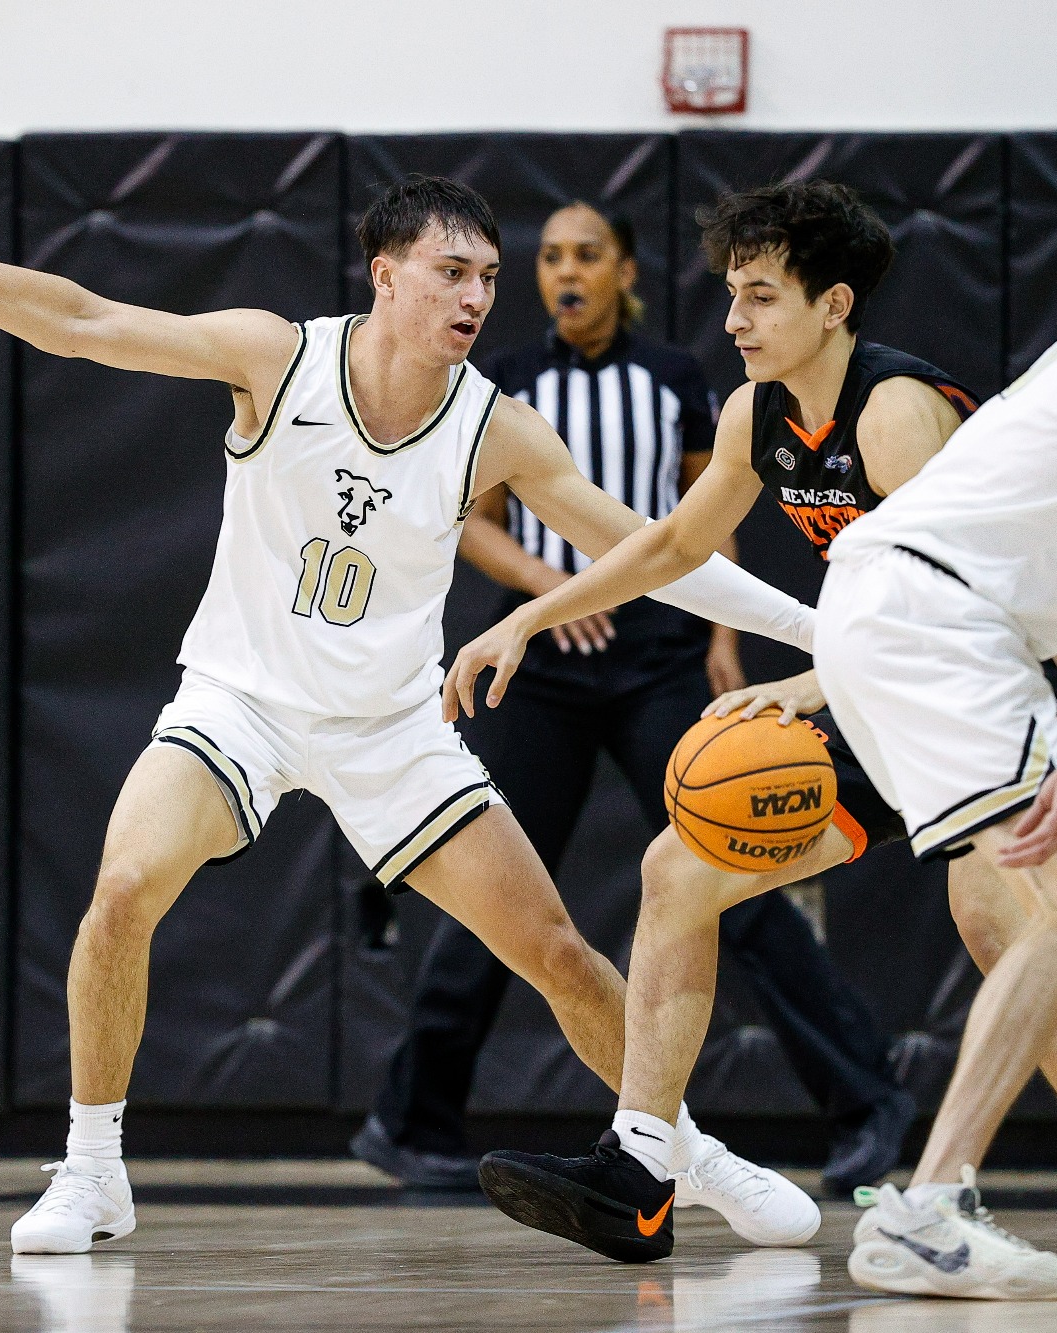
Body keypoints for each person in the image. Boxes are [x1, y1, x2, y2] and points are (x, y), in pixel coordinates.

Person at [449, 138, 1057, 1298]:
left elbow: (996, 594)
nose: (735, 321)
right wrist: (532, 614)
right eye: (730, 294)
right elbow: (674, 545)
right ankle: (659, 1165)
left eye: (760, 295)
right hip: (905, 669)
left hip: (928, 670)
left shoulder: (896, 412)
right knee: (696, 874)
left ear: (831, 303)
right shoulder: (760, 415)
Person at [0, 165, 825, 1255]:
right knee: (120, 891)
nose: (474, 296)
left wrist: (821, 633)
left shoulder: (499, 429)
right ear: (384, 276)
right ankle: (94, 1169)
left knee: (558, 954)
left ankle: (683, 1153)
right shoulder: (275, 354)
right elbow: (81, 320)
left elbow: (648, 550)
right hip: (239, 703)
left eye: (486, 276)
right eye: (450, 272)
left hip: (391, 730)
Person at [351, 201, 914, 1199]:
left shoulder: (679, 378)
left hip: (656, 654)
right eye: (551, 257)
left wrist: (724, 641)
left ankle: (866, 1099)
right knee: (489, 884)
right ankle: (411, 1118)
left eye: (586, 256)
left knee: (729, 856)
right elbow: (474, 522)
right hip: (551, 662)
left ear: (622, 270)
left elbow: (696, 530)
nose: (564, 273)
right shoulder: (503, 383)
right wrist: (536, 598)